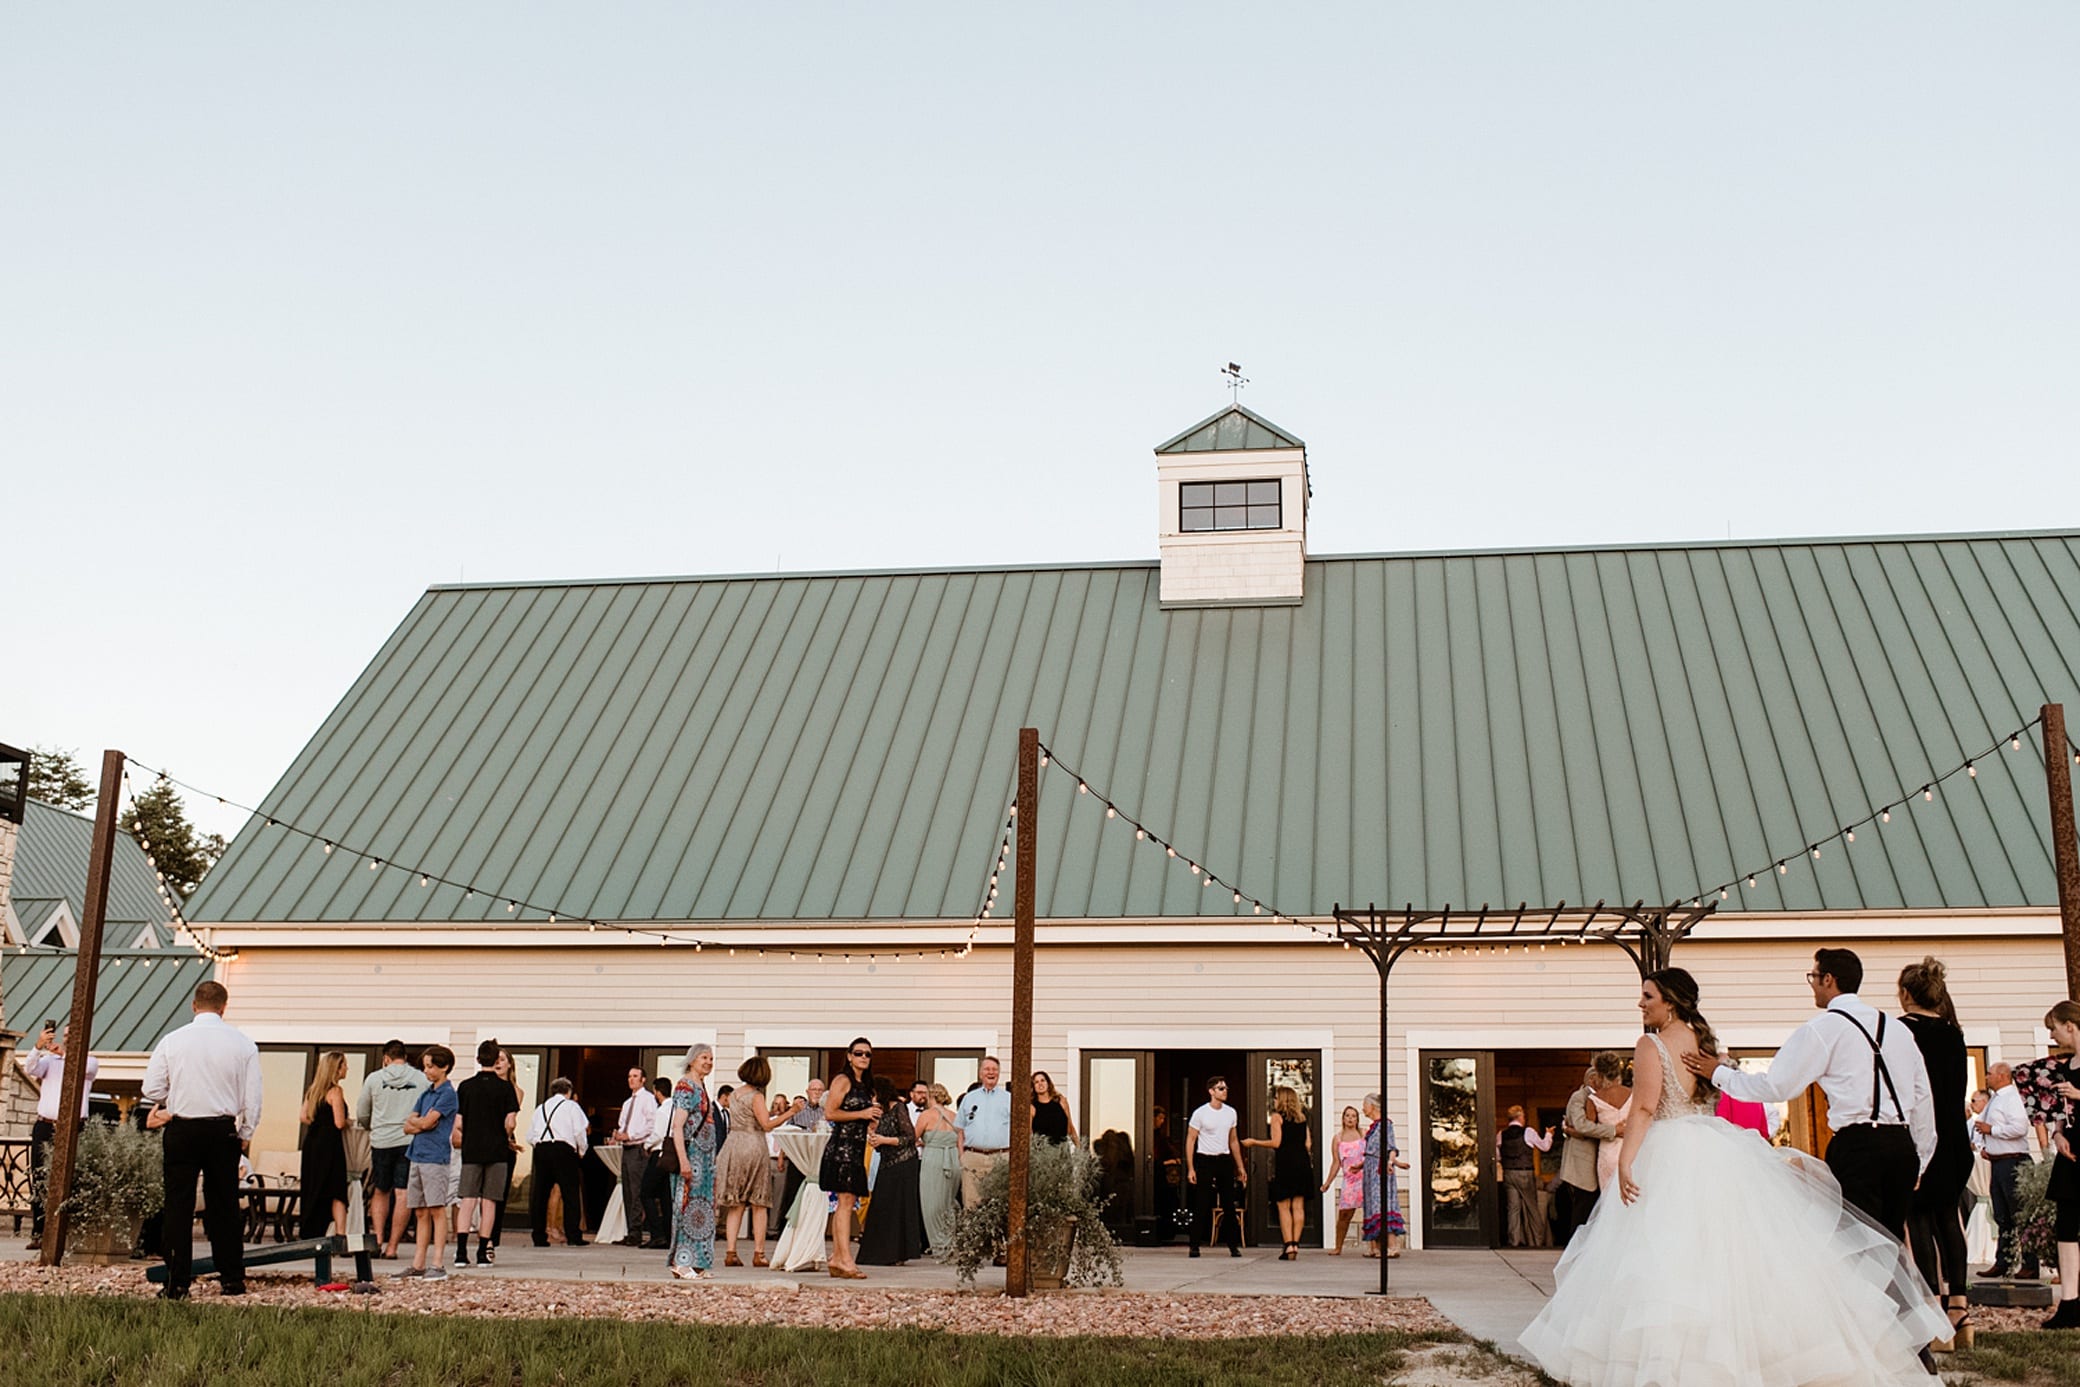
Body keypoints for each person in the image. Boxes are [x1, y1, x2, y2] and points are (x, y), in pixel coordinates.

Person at [1520, 968, 1948, 1384]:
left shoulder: (1650, 1046)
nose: (1640, 1003)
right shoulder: (1704, 1043)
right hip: (1714, 1146)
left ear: (1669, 1002)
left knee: (1668, 1256)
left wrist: (1627, 1160)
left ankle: (1673, 1360)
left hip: (1670, 1150)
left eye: (1648, 996)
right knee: (1729, 1253)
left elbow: (1646, 1108)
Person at [1693, 947, 1935, 1243]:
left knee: (1858, 1246)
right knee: (1893, 1243)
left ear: (1829, 980)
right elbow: (1923, 1099)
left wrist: (1718, 1073)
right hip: (1902, 1146)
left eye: (1814, 977)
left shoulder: (1822, 1028)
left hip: (1859, 1146)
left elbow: (1778, 1086)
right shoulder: (1897, 1029)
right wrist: (1921, 1159)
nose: (1813, 986)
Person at [142, 981, 262, 1299]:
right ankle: (232, 1279)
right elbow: (253, 1097)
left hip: (182, 1129)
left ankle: (177, 1282)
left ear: (194, 1006)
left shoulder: (172, 1040)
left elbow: (150, 1089)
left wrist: (179, 1094)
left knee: (178, 1206)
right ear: (224, 1007)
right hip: (222, 1131)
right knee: (223, 1206)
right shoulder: (244, 1044)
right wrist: (245, 1133)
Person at [1896, 957, 1973, 1339]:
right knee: (1949, 1218)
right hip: (1957, 1140)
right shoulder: (1953, 1033)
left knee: (1918, 1219)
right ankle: (1960, 1309)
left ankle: (1931, 1309)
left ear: (1905, 993)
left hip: (1924, 1136)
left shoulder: (1901, 1032)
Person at [2015, 1000, 2080, 1329]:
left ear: (2070, 1025)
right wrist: (2057, 1135)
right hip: (2071, 1151)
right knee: (2067, 1228)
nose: (2052, 1035)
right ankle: (2070, 1302)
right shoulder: (2064, 1065)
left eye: (2053, 1028)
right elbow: (2059, 1110)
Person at [19, 1020, 99, 1248]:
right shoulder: (48, 1061)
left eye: (72, 1034)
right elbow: (30, 1068)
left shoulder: (90, 1061)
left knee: (74, 1177)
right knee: (40, 1178)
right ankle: (39, 1232)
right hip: (46, 1125)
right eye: (64, 1034)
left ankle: (69, 1232)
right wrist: (38, 1045)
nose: (66, 1037)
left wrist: (64, 1054)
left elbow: (84, 1069)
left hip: (74, 1127)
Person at [715, 1054, 800, 1268]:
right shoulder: (756, 1095)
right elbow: (766, 1124)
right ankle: (759, 1253)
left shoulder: (734, 1094)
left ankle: (731, 1251)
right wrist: (791, 1111)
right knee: (758, 1202)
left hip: (733, 1144)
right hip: (752, 1145)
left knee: (736, 1203)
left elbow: (749, 1116)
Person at [356, 1039, 428, 1259]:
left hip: (381, 1140)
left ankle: (377, 1239)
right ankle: (393, 1247)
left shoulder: (374, 1079)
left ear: (386, 1058)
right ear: (405, 1057)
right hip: (409, 1140)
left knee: (381, 1190)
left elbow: (362, 1112)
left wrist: (373, 1126)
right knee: (403, 1193)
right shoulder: (420, 1078)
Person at [453, 1039, 521, 1267]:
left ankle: (461, 1252)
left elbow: (459, 1122)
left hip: (472, 1150)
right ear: (496, 1060)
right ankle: (483, 1251)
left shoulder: (465, 1087)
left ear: (478, 1059)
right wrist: (504, 1131)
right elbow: (510, 1122)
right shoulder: (505, 1089)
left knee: (468, 1200)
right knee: (489, 1201)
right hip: (497, 1150)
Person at [394, 1043, 458, 1281]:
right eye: (425, 1066)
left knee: (436, 1209)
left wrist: (419, 1123)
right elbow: (408, 1123)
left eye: (431, 1066)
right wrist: (419, 1123)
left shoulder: (448, 1095)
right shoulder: (425, 1094)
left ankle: (438, 1263)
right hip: (416, 1156)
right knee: (420, 1211)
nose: (427, 1071)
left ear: (445, 1067)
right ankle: (418, 1263)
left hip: (435, 1158)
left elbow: (428, 1122)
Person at [820, 1037, 882, 1279]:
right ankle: (844, 1259)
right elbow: (830, 1112)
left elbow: (858, 1117)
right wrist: (862, 1112)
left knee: (846, 1204)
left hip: (856, 1147)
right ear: (849, 1056)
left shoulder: (864, 1085)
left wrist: (870, 1120)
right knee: (845, 1204)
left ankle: (838, 1257)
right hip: (841, 1148)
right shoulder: (842, 1080)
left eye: (867, 1054)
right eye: (859, 1053)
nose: (863, 1058)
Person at [858, 1076, 926, 1266]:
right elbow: (879, 1138)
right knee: (882, 1205)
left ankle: (898, 1254)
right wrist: (873, 1134)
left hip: (904, 1163)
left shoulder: (898, 1107)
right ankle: (881, 1252)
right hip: (887, 1161)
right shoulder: (880, 1112)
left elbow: (908, 1137)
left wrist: (883, 1140)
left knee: (899, 1207)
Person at [1555, 1054, 1622, 1244]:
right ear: (1594, 1079)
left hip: (1603, 1160)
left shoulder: (1604, 1098)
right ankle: (1574, 1251)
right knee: (1582, 1212)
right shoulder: (1579, 1097)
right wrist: (1613, 1130)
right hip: (1583, 1165)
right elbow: (1582, 1125)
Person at [1976, 1061, 2033, 1278]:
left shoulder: (2011, 1098)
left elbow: (2019, 1128)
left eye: (1989, 1074)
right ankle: (2004, 1261)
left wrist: (1993, 1129)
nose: (1986, 1077)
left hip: (2013, 1161)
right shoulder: (1996, 1100)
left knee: (2019, 1214)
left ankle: (2029, 1262)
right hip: (1998, 1161)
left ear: (2002, 1076)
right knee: (2002, 1215)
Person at [1242, 1084, 1314, 1259]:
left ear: (1280, 1100)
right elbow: (1308, 1144)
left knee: (1283, 1206)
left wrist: (1254, 1142)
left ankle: (1288, 1244)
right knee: (1298, 1205)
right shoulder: (1302, 1118)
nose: (1273, 1101)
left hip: (1286, 1163)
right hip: (1302, 1163)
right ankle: (1296, 1244)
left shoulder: (1276, 1117)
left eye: (1275, 1098)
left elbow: (1276, 1143)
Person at [668, 1044, 718, 1280]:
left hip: (705, 1160)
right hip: (692, 1156)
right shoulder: (686, 1086)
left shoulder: (702, 1086)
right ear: (692, 1060)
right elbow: (678, 1126)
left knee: (703, 1211)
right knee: (687, 1208)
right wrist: (684, 1161)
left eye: (711, 1058)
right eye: (704, 1057)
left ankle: (697, 1262)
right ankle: (681, 1261)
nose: (708, 1062)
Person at [1186, 1074, 1245, 1258]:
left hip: (1224, 1159)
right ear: (1211, 1091)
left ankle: (1233, 1246)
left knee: (1229, 1204)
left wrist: (1240, 1167)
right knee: (1202, 1202)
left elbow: (1234, 1140)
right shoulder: (1200, 1113)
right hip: (1205, 1159)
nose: (1225, 1091)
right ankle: (1194, 1245)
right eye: (1221, 1088)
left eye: (1226, 1088)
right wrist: (1191, 1167)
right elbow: (1191, 1140)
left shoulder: (1231, 1112)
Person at [528, 1076, 590, 1248]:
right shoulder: (571, 1106)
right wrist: (582, 1151)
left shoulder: (540, 1108)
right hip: (564, 1150)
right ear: (568, 1091)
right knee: (570, 1194)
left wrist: (539, 1145)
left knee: (540, 1195)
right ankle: (573, 1235)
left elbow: (530, 1135)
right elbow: (579, 1131)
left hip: (542, 1149)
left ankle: (539, 1236)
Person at [296, 1050, 350, 1240]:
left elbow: (304, 1116)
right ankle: (340, 1234)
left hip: (312, 1143)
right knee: (336, 1188)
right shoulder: (335, 1091)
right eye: (344, 1064)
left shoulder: (313, 1090)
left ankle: (310, 1230)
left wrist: (319, 1122)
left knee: (314, 1186)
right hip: (330, 1145)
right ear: (336, 1068)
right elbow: (339, 1122)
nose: (347, 1068)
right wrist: (350, 1121)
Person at [612, 1065, 659, 1249]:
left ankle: (636, 1231)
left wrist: (631, 1136)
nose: (631, 1079)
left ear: (643, 1079)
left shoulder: (647, 1099)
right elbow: (623, 1124)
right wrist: (619, 1135)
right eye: (629, 1076)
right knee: (628, 1191)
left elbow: (651, 1124)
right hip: (627, 1148)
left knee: (637, 1189)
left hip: (638, 1148)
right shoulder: (627, 1103)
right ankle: (631, 1229)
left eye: (635, 1076)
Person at [954, 1056, 1010, 1209]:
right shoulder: (969, 1098)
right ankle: (972, 1234)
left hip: (1001, 1158)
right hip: (973, 1158)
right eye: (987, 1069)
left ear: (999, 1073)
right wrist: (962, 1156)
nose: (991, 1072)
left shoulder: (1009, 1099)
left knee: (1000, 1205)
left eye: (994, 1069)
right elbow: (960, 1130)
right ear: (980, 1073)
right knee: (971, 1205)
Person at [916, 1081, 963, 1253]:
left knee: (931, 1204)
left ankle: (939, 1244)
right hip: (953, 1160)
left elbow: (912, 1137)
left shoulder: (926, 1116)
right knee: (949, 1202)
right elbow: (961, 1143)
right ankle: (951, 1242)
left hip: (934, 1159)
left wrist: (924, 1142)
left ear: (932, 1096)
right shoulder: (955, 1116)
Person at [1498, 1105, 1554, 1248]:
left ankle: (1514, 1241)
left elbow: (1497, 1155)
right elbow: (1544, 1147)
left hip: (1509, 1173)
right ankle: (1536, 1241)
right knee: (1531, 1207)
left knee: (1513, 1209)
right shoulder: (1528, 1132)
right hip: (1525, 1173)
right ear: (1520, 1117)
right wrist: (1549, 1135)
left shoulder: (1501, 1134)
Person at [486, 1049, 523, 1256]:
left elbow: (509, 1121)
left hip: (505, 1142)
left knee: (498, 1194)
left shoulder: (514, 1091)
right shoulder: (484, 1087)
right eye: (495, 1059)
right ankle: (484, 1235)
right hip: (485, 1141)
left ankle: (492, 1238)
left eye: (502, 1060)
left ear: (510, 1065)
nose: (498, 1063)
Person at [1322, 1106, 1365, 1254]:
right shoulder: (1338, 1139)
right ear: (1343, 1118)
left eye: (1353, 1116)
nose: (1350, 1119)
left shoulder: (1363, 1134)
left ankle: (1375, 1247)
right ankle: (1338, 1246)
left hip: (1365, 1179)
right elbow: (1336, 1163)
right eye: (1347, 1115)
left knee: (1371, 1213)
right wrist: (1327, 1183)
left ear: (1357, 1119)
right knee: (1344, 1215)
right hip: (1349, 1181)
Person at [639, 1075, 674, 1250]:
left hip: (659, 1154)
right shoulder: (676, 1108)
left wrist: (646, 1145)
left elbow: (659, 1134)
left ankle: (657, 1234)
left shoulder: (662, 1110)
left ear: (657, 1092)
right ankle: (668, 1236)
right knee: (666, 1197)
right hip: (672, 1156)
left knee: (645, 1193)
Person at [1030, 1071, 1077, 1144]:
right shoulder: (1032, 1107)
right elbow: (1030, 1134)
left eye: (1043, 1080)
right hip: (1043, 1151)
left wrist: (1079, 1149)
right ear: (1033, 1087)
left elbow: (1070, 1127)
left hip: (1062, 1148)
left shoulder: (1061, 1101)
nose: (1040, 1084)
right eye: (1036, 1082)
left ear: (1048, 1083)